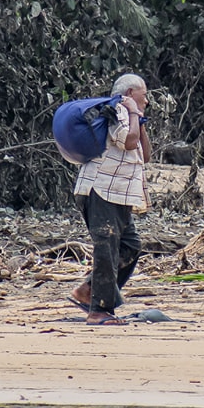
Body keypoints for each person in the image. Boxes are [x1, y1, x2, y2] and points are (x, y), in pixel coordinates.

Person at [71, 73, 150, 325]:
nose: (147, 101)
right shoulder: (115, 112)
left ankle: (88, 291)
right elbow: (128, 142)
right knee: (106, 250)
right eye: (144, 95)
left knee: (130, 247)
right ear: (128, 94)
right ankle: (99, 311)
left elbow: (145, 154)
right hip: (101, 190)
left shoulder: (133, 116)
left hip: (119, 194)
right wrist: (133, 113)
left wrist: (139, 116)